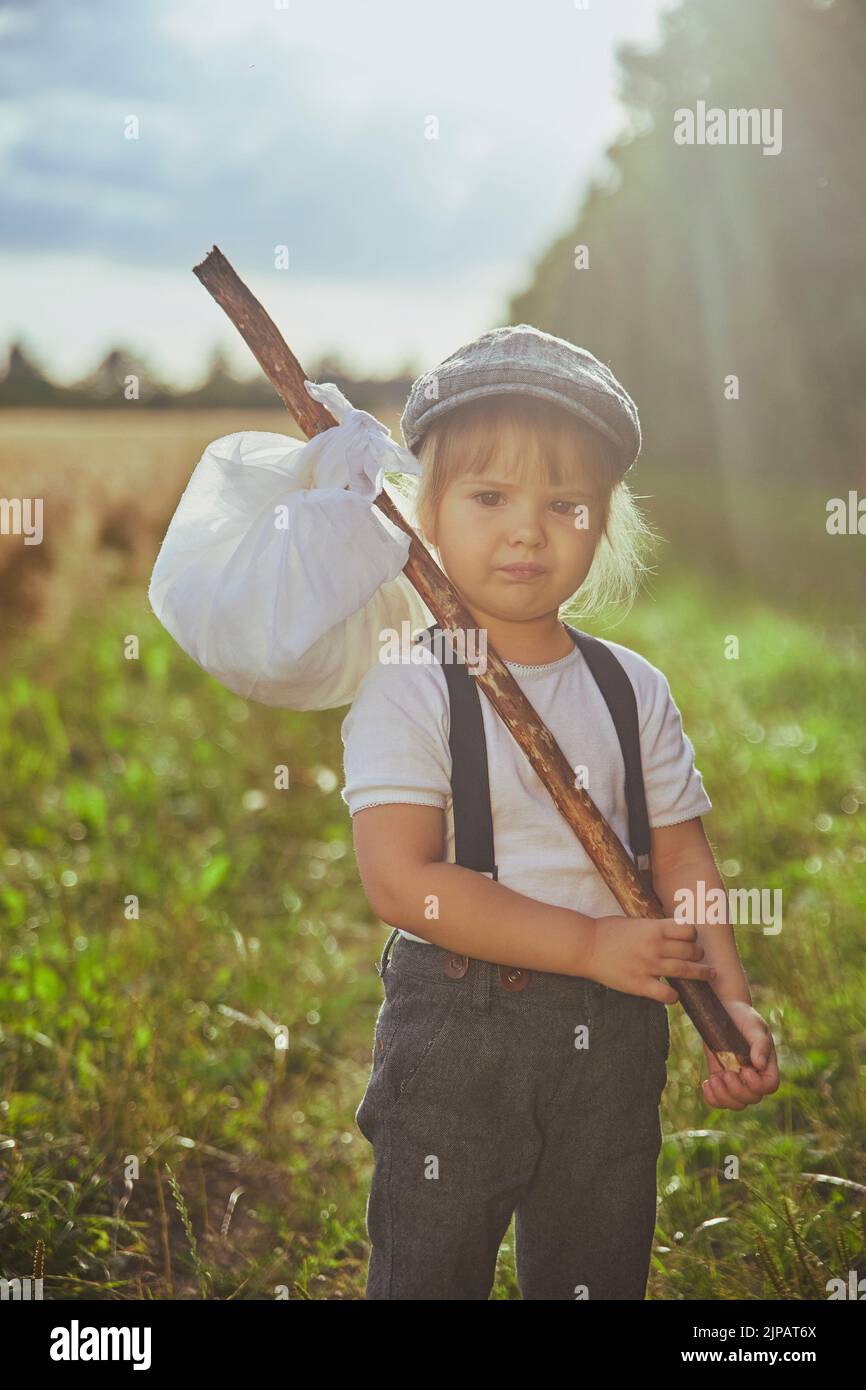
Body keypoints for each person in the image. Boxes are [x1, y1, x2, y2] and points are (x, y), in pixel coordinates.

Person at [341, 325, 779, 1300]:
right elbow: (402, 881)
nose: (526, 529)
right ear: (427, 512)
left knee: (594, 1265)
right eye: (488, 497)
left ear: (604, 521)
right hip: (458, 1032)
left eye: (564, 503)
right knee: (428, 1265)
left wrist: (726, 999)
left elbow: (683, 861)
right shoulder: (409, 689)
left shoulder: (629, 688)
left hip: (613, 1041)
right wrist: (584, 942)